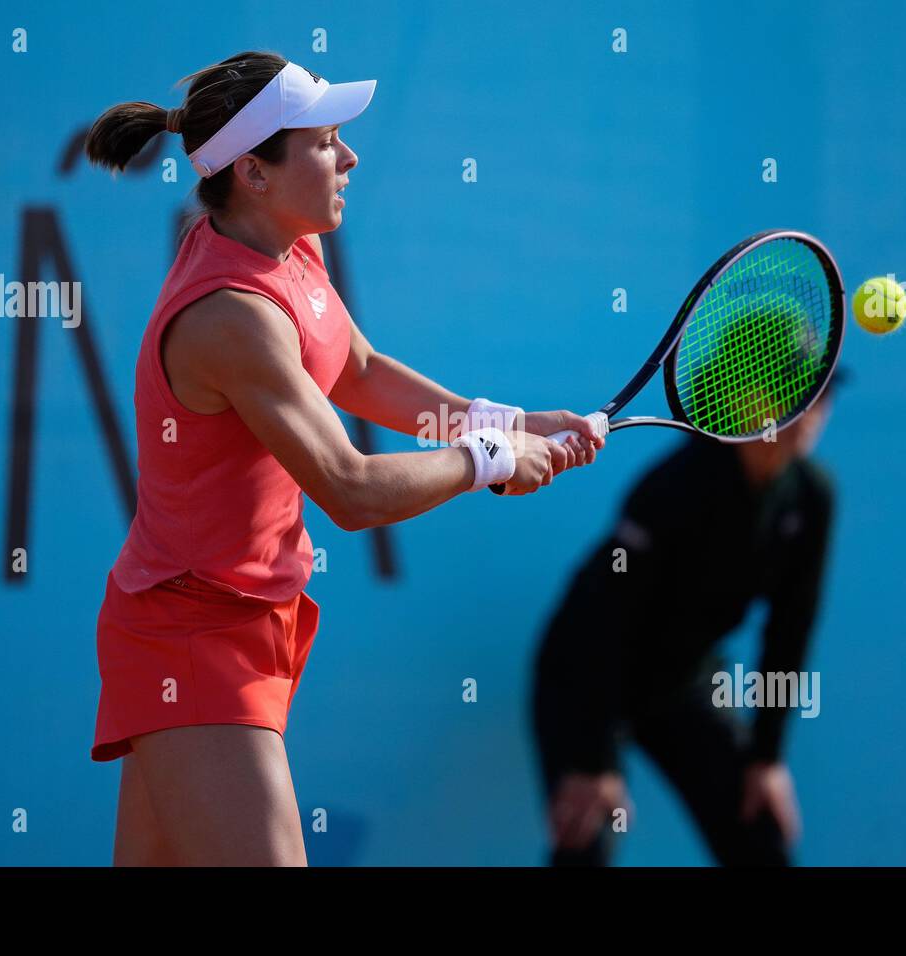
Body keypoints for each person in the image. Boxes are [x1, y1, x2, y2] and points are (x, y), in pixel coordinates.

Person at [84, 51, 605, 866]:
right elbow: (352, 490)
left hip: (237, 621)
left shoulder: (287, 245)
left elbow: (356, 369)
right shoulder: (233, 318)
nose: (350, 157)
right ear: (253, 172)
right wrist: (490, 457)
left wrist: (507, 418)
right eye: (327, 141)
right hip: (192, 635)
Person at [531, 375, 843, 866]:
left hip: (684, 682)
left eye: (824, 394)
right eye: (802, 394)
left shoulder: (814, 497)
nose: (816, 410)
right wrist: (591, 759)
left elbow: (790, 630)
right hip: (586, 674)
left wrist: (767, 758)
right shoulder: (672, 489)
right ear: (751, 398)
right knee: (586, 842)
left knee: (761, 837)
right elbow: (602, 622)